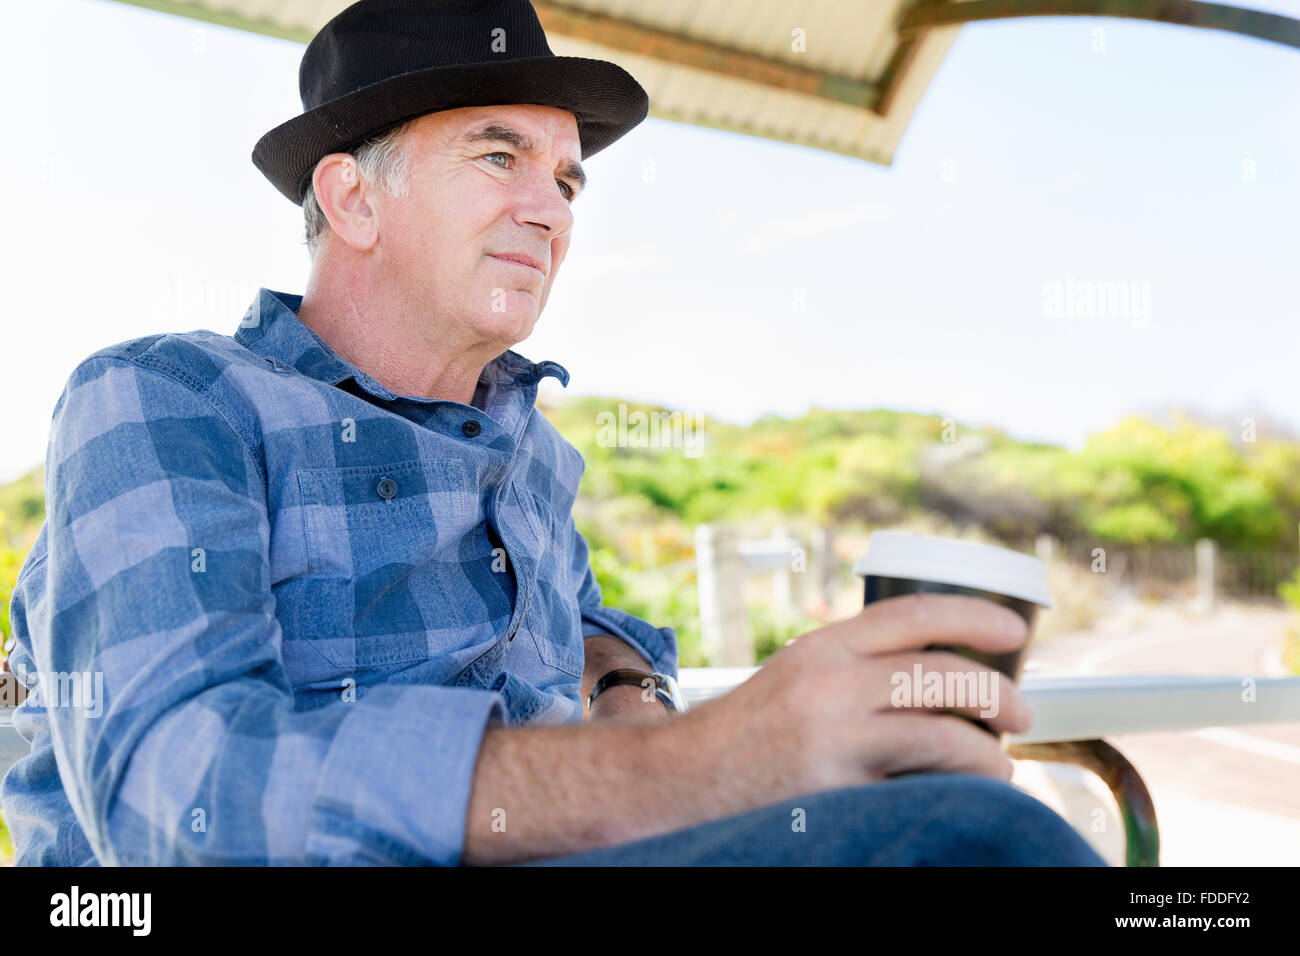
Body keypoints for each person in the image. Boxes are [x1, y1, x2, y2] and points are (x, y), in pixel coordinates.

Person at [0, 0, 1105, 867]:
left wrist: (630, 697)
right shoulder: (164, 400)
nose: (553, 208)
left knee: (946, 811)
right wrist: (697, 763)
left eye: (568, 178)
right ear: (351, 201)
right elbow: (176, 795)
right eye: (499, 157)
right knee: (971, 842)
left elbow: (579, 615)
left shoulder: (525, 447)